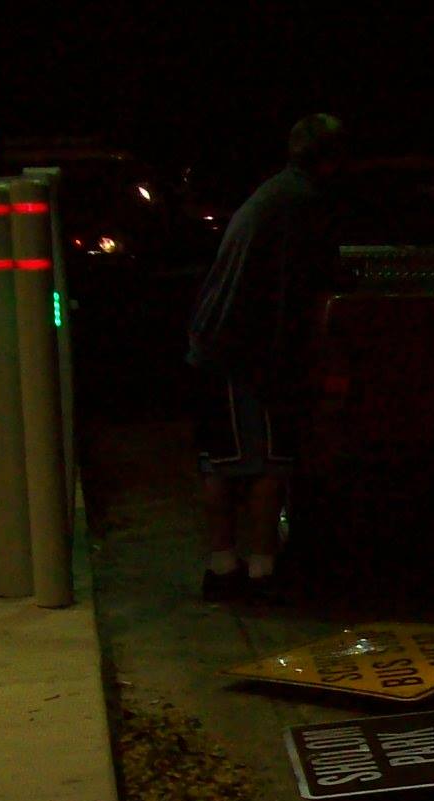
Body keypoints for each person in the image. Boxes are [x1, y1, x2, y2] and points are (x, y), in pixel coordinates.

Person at [186, 114, 346, 601]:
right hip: (247, 352)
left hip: (213, 345)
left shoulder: (273, 194)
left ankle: (222, 564)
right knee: (267, 464)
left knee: (221, 462)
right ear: (331, 158)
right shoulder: (303, 204)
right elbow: (302, 291)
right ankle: (261, 571)